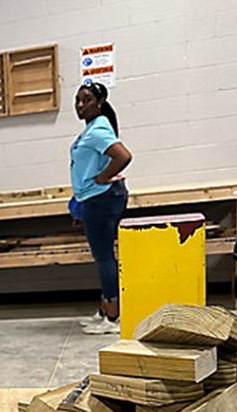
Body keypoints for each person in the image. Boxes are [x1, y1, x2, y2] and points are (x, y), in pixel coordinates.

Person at [71, 82, 132, 335]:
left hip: (101, 198)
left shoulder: (97, 130)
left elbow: (123, 156)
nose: (80, 105)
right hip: (94, 198)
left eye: (87, 100)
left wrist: (101, 179)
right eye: (78, 100)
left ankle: (113, 317)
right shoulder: (93, 128)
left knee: (104, 257)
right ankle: (105, 309)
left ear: (100, 102)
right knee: (103, 256)